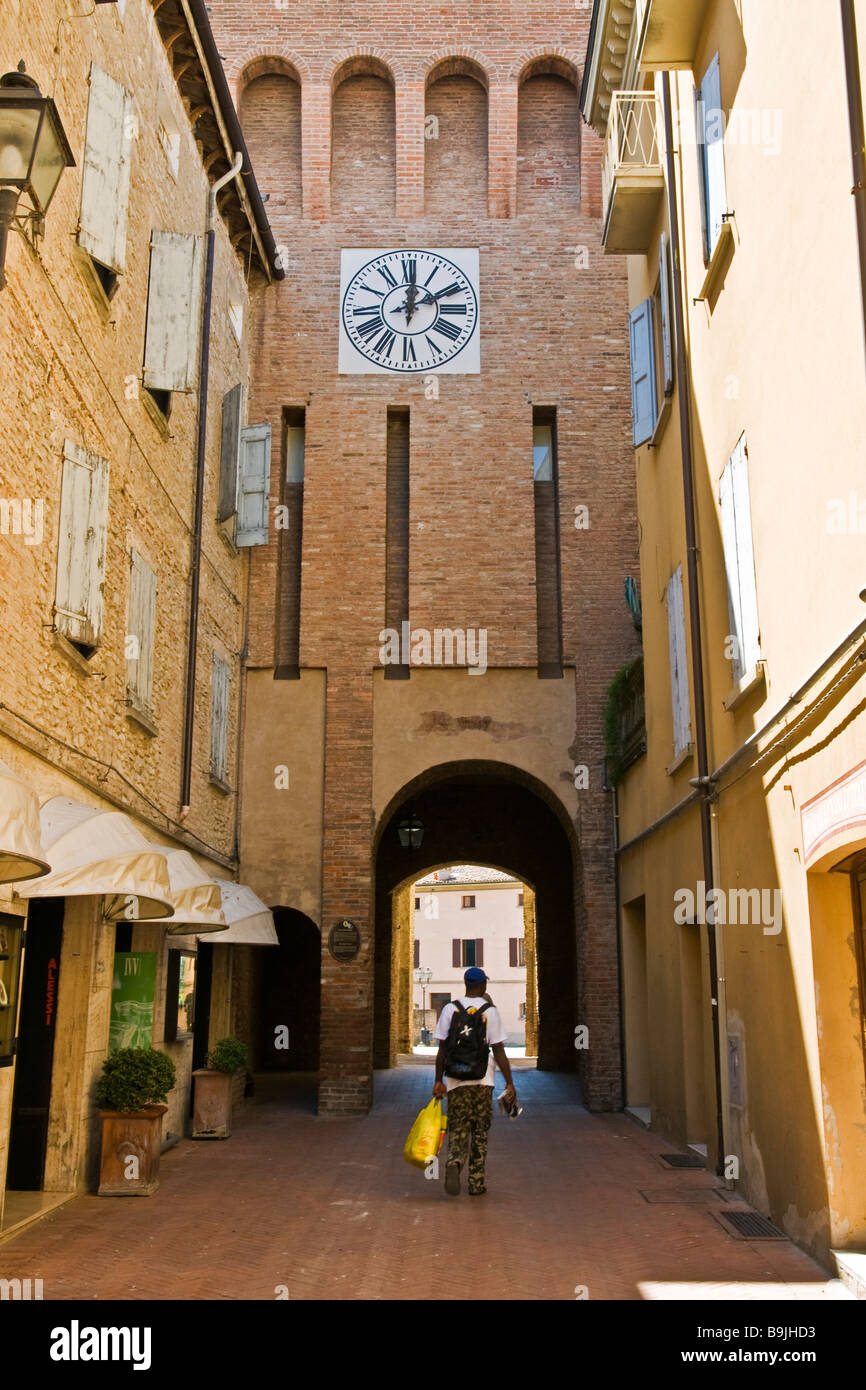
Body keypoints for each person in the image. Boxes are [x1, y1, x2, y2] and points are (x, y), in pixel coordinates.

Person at [432, 966, 517, 1196]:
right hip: (483, 1080)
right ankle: (476, 1182)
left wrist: (438, 1080)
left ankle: (453, 1162)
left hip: (455, 1081)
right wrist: (509, 1083)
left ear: (465, 984)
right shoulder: (490, 1012)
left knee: (458, 1127)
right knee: (480, 1131)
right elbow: (498, 1050)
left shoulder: (450, 1009)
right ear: (483, 986)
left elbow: (441, 1050)